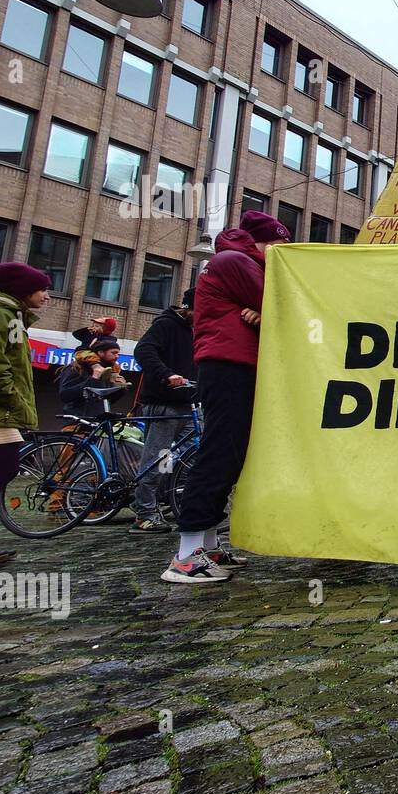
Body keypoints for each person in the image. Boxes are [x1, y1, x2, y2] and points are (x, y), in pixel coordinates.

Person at [163, 210, 289, 584]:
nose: (284, 254)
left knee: (229, 455)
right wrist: (268, 310)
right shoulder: (234, 260)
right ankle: (186, 556)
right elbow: (282, 301)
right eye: (279, 246)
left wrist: (264, 313)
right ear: (260, 242)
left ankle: (207, 543)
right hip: (229, 365)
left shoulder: (239, 262)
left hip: (234, 365)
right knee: (220, 453)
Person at [0, 263, 51, 565]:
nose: (47, 296)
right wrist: (13, 401)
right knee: (3, 469)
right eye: (42, 289)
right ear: (23, 290)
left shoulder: (10, 316)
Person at [130, 289, 197, 532]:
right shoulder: (166, 325)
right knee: (158, 458)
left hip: (186, 404)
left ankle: (169, 498)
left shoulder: (196, 330)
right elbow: (143, 351)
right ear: (188, 309)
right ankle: (144, 513)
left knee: (191, 455)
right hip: (164, 403)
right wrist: (167, 374)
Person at [57, 337, 127, 412]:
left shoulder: (109, 371)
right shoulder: (75, 368)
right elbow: (65, 395)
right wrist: (93, 379)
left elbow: (107, 400)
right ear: (100, 352)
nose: (117, 356)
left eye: (118, 353)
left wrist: (120, 390)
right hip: (77, 419)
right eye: (113, 353)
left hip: (99, 419)